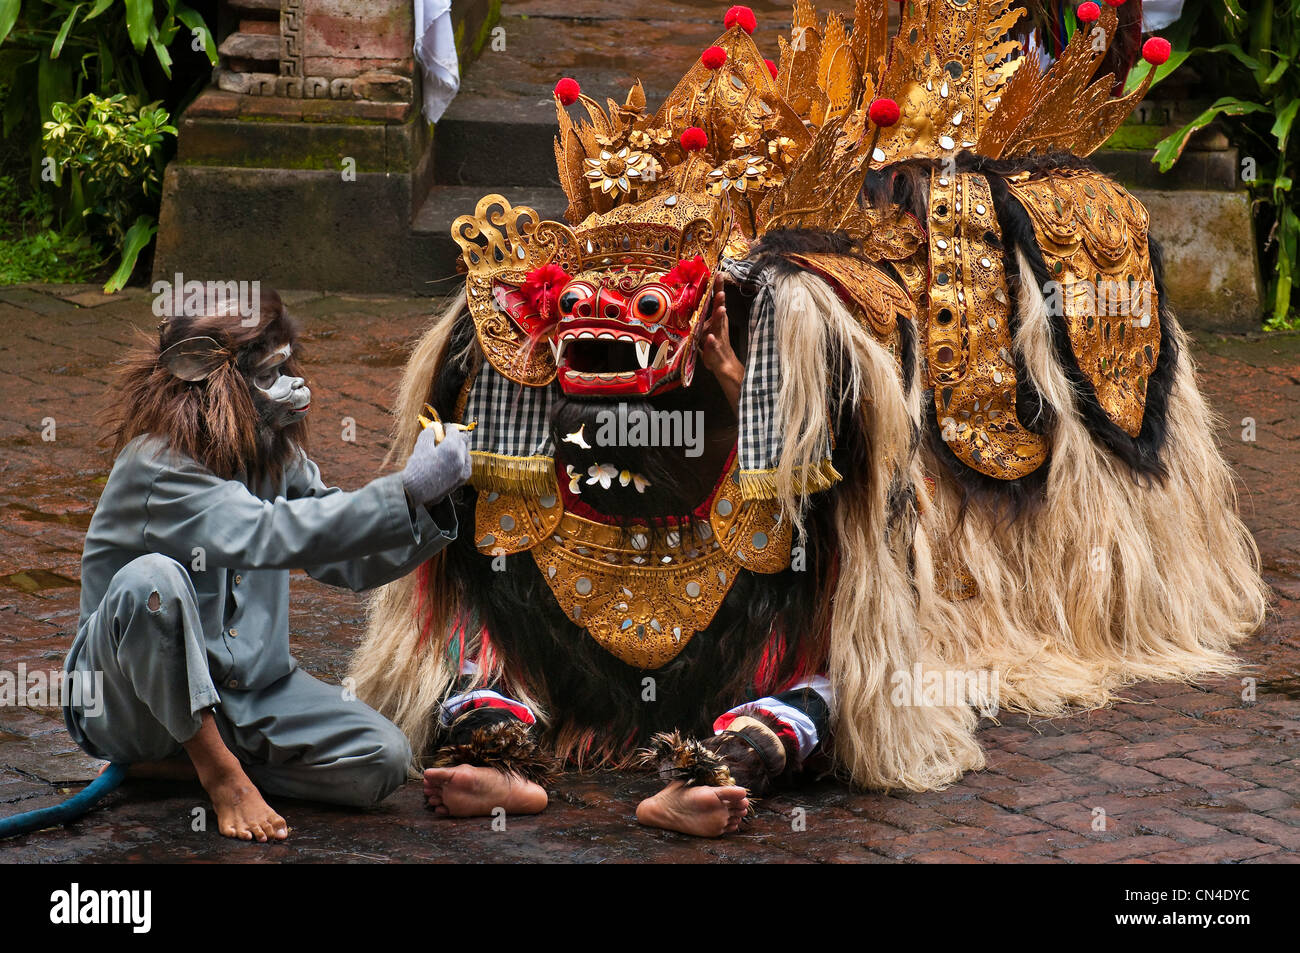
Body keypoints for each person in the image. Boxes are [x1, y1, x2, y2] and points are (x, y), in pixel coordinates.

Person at [62, 290, 471, 842]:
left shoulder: (277, 458)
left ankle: (174, 769)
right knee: (150, 583)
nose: (295, 388)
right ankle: (221, 774)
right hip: (133, 704)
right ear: (212, 382)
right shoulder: (157, 467)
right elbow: (265, 532)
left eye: (289, 366)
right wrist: (404, 489)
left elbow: (343, 560)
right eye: (272, 372)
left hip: (248, 694)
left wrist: (434, 504)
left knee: (384, 760)